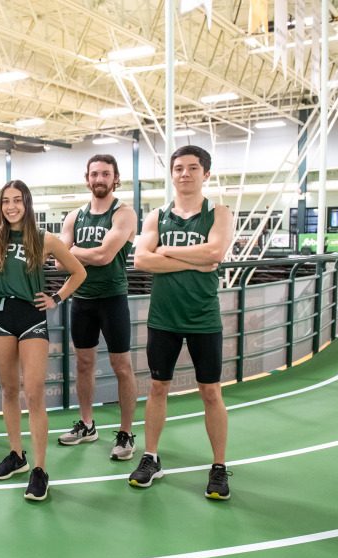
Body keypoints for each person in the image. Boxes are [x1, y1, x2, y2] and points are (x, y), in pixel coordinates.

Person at [0, 180, 86, 501]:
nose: (11, 207)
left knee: (33, 392)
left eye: (17, 201)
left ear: (27, 203)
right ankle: (16, 456)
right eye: (6, 201)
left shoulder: (43, 238)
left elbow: (78, 272)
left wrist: (57, 298)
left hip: (32, 317)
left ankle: (39, 469)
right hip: (1, 317)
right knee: (9, 390)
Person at [130, 145, 233, 500]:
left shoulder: (219, 212)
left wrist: (166, 252)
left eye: (193, 168)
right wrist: (196, 259)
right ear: (171, 174)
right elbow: (142, 261)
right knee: (157, 388)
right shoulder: (156, 217)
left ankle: (218, 466)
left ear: (206, 174)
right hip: (164, 318)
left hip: (204, 318)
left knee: (210, 392)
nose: (185, 173)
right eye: (178, 168)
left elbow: (215, 253)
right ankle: (151, 457)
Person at [56, 154, 138, 460]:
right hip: (82, 300)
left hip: (113, 300)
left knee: (122, 367)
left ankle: (127, 432)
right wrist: (76, 253)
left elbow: (104, 256)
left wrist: (74, 251)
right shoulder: (74, 217)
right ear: (87, 177)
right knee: (83, 365)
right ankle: (87, 425)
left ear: (115, 178)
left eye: (106, 174)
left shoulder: (124, 214)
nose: (99, 179)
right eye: (95, 174)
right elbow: (58, 260)